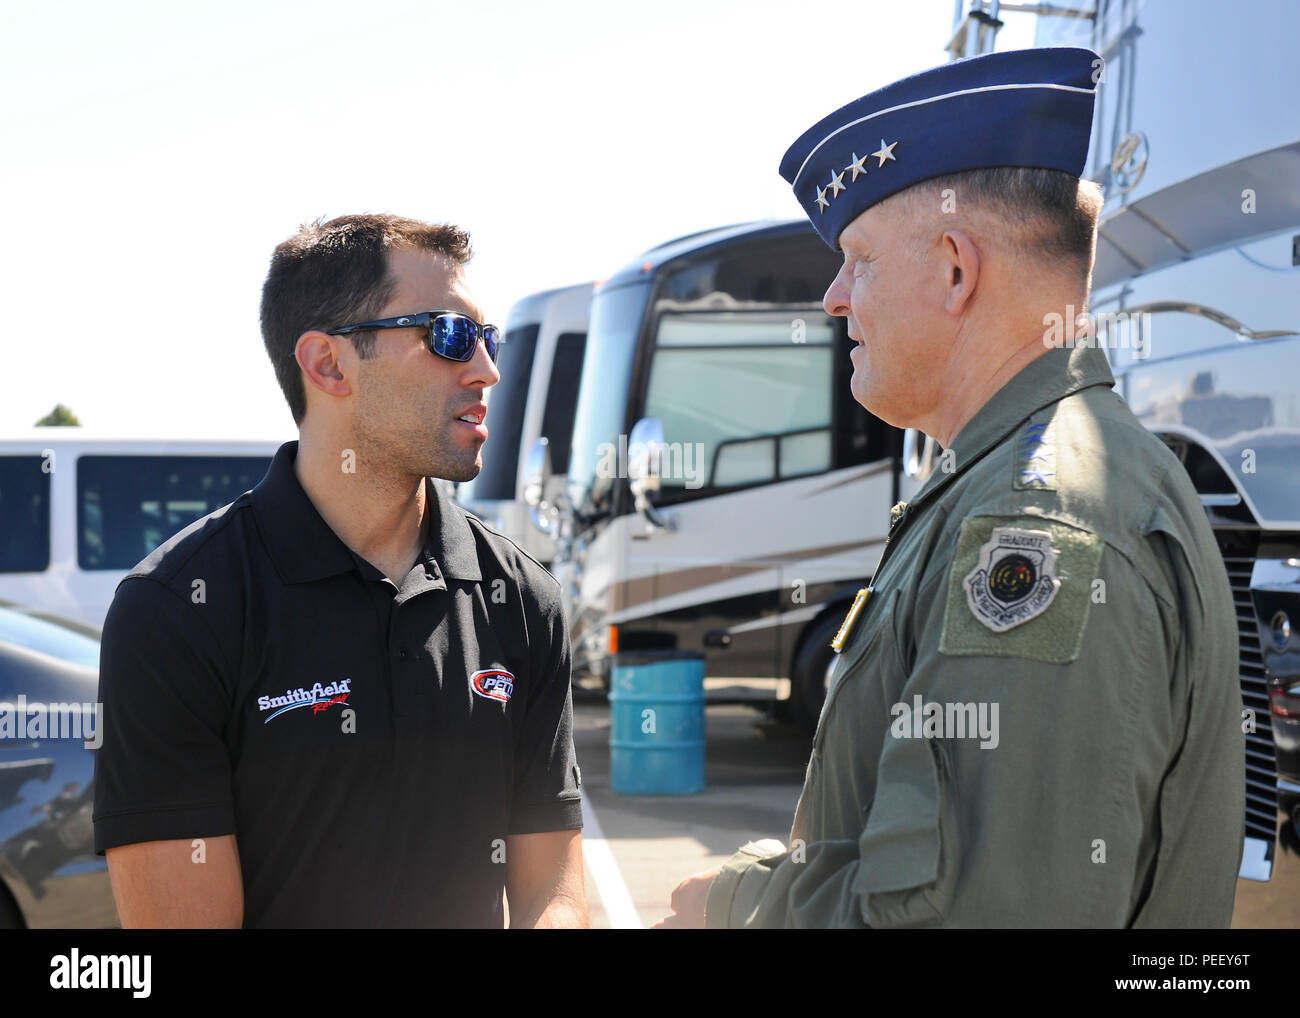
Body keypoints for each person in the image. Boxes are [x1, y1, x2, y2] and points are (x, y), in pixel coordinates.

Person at [656, 48, 1245, 928]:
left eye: (858, 259)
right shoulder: (1018, 480)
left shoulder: (1033, 521)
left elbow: (980, 911)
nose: (832, 297)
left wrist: (738, 902)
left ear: (956, 271)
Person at [92, 214, 588, 928]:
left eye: (488, 338)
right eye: (448, 335)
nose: (486, 369)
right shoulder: (175, 612)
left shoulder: (522, 599)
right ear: (328, 365)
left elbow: (555, 892)